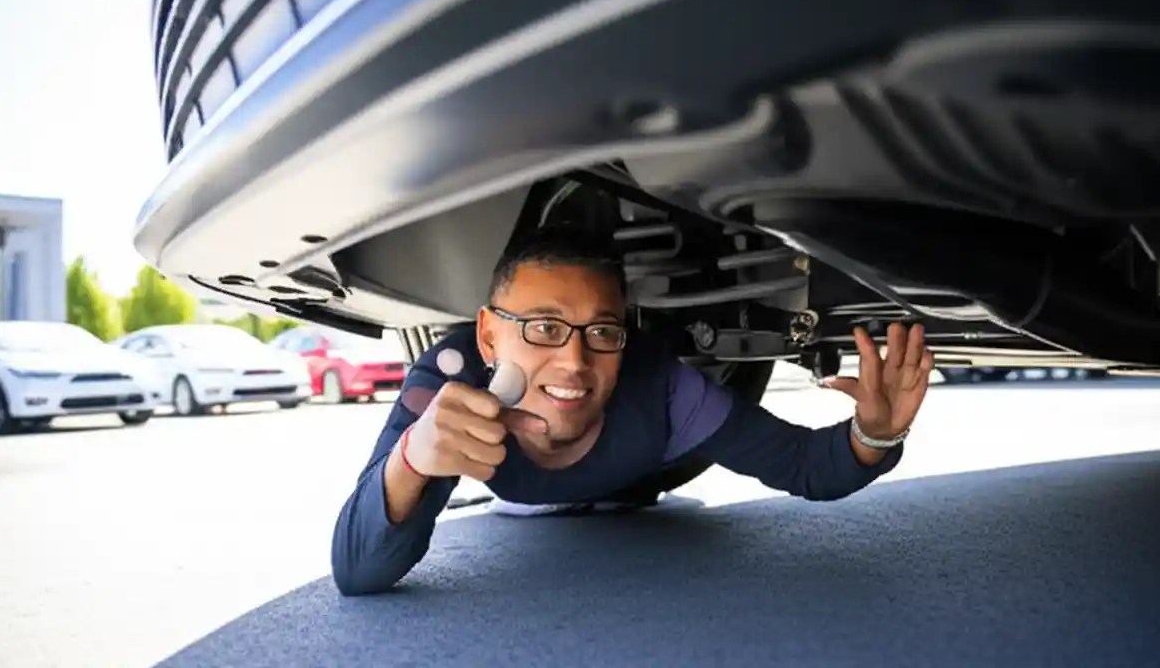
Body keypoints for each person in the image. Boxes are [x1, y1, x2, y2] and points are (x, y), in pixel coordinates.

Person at [331, 224, 934, 596]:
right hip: (514, 495)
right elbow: (358, 571)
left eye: (601, 330)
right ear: (488, 336)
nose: (574, 361)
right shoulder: (451, 383)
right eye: (543, 326)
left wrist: (875, 435)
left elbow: (806, 465)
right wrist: (411, 459)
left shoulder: (659, 388)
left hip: (646, 479)